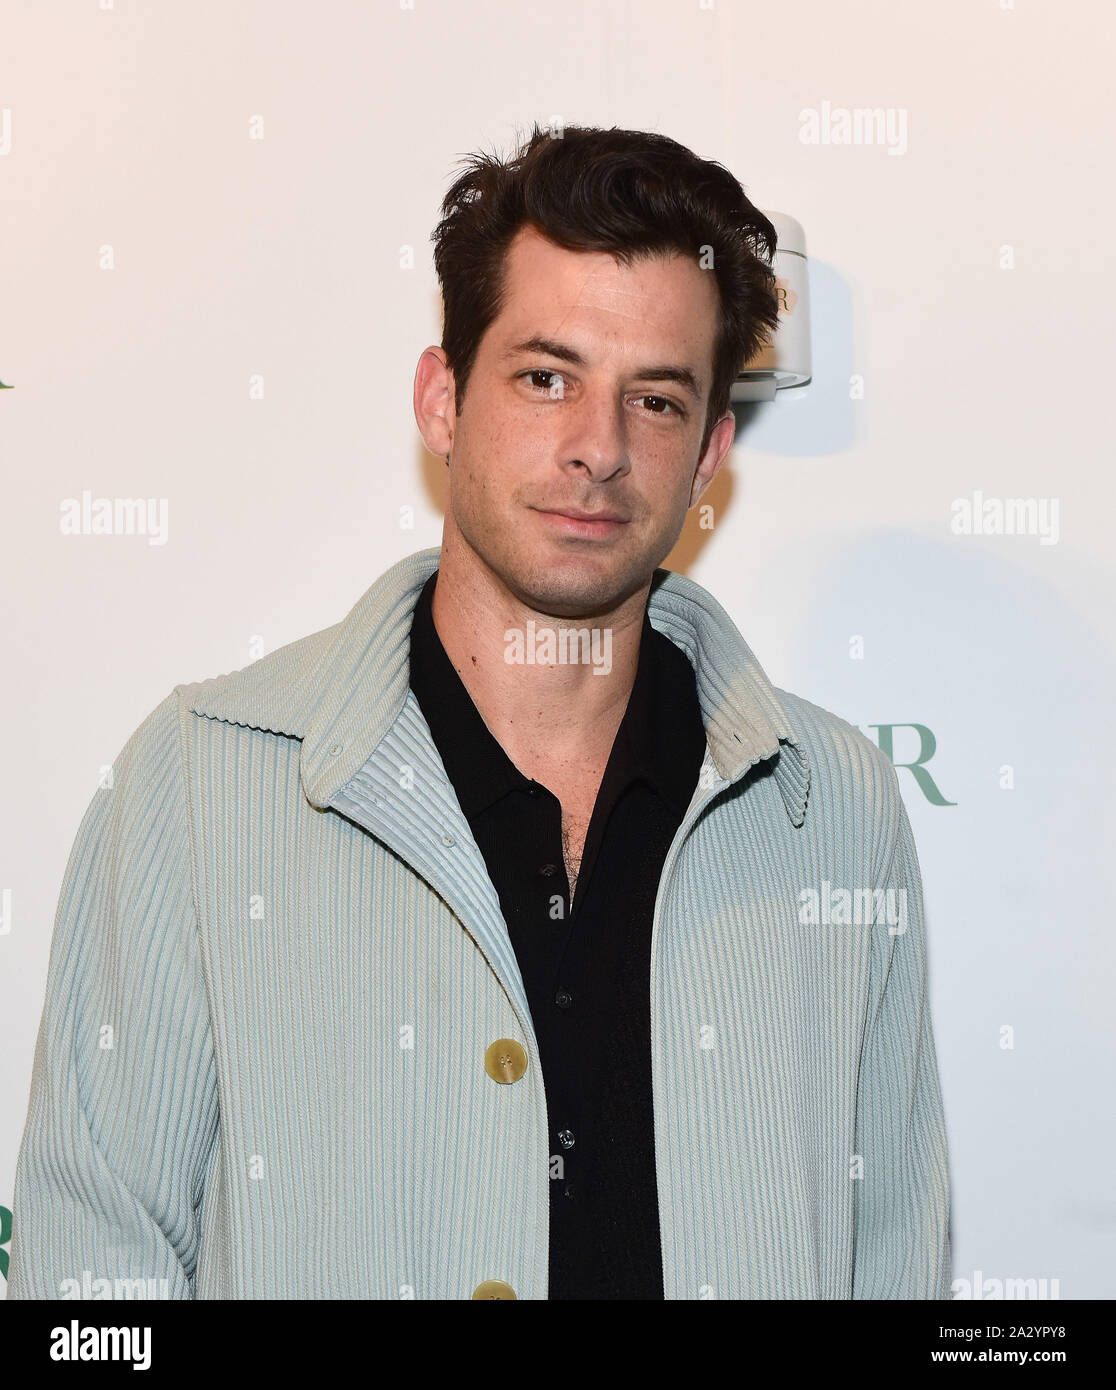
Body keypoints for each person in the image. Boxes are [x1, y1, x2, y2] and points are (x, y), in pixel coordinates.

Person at [7, 122, 951, 1300]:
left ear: (711, 452)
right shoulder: (198, 788)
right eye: (545, 377)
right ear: (443, 400)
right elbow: (90, 1286)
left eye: (655, 401)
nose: (597, 450)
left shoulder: (835, 805)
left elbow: (896, 1260)